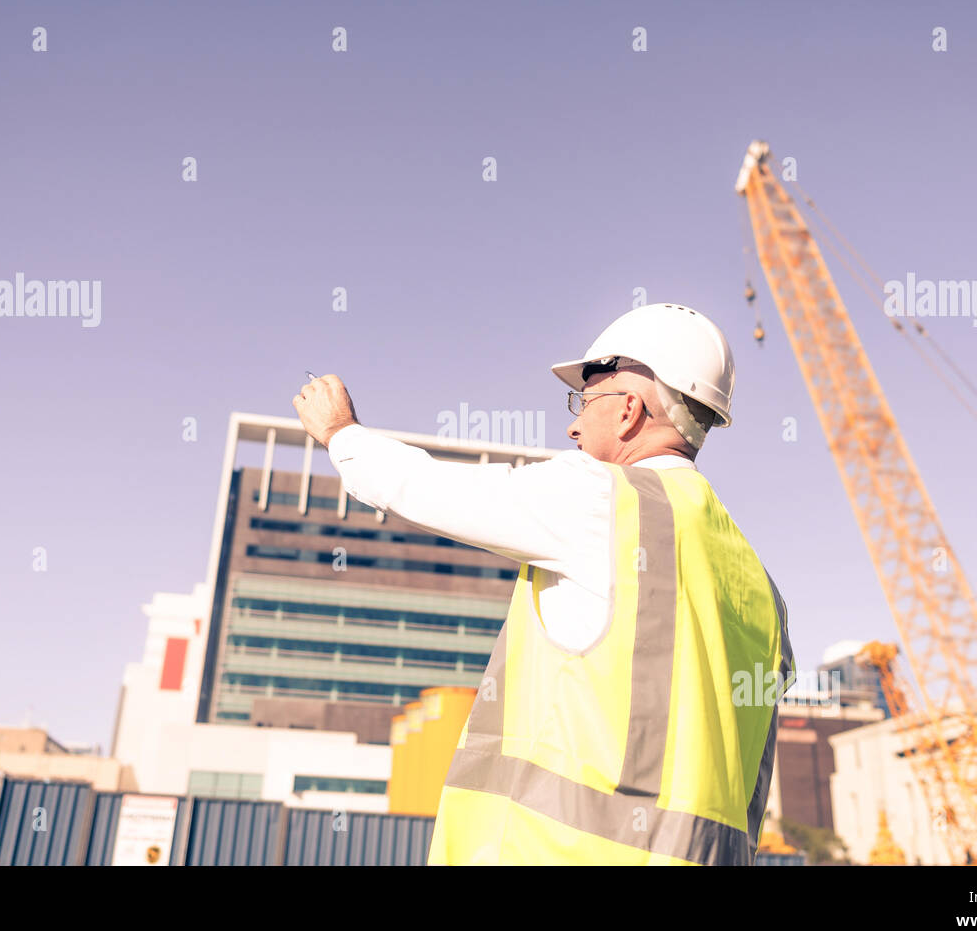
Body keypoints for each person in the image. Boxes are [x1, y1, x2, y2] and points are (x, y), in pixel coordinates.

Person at [293, 302, 794, 865]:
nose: (573, 424)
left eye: (586, 400)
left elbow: (429, 489)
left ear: (629, 409)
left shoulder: (604, 498)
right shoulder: (761, 588)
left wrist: (340, 433)